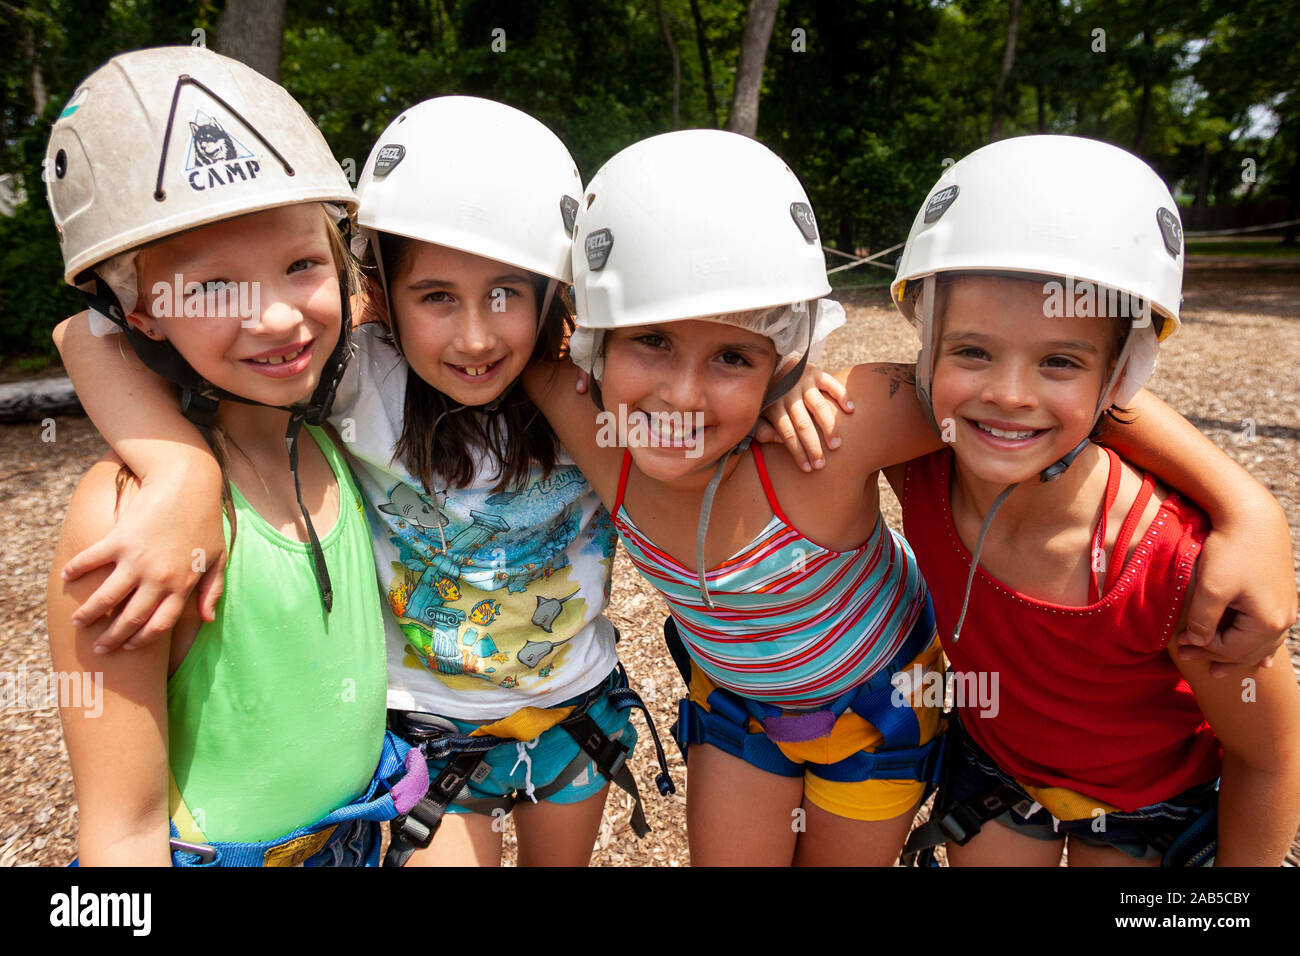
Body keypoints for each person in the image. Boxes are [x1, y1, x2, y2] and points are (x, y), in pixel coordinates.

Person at [527, 129, 1297, 866]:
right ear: (598, 345)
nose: (684, 394)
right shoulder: (587, 414)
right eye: (650, 340)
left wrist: (1247, 506)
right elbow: (490, 328)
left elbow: (1037, 400)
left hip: (883, 719)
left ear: (786, 358)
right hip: (742, 712)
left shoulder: (842, 432)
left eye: (733, 354)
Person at [53, 96, 671, 867]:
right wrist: (179, 466)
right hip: (429, 738)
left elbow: (677, 460)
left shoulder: (590, 384)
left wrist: (791, 385)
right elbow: (88, 329)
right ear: (381, 289)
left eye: (508, 293)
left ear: (553, 290)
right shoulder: (354, 372)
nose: (475, 336)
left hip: (574, 714)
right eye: (436, 295)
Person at [45, 46, 423, 867]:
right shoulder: (124, 515)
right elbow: (122, 831)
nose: (281, 320)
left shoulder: (330, 433)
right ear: (141, 313)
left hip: (356, 839)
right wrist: (183, 471)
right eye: (215, 289)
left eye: (300, 265)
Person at [888, 135, 1300, 865]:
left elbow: (1268, 756)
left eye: (1059, 361)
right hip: (998, 777)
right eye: (973, 351)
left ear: (1120, 379)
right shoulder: (919, 461)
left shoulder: (1180, 567)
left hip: (1150, 808)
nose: (1008, 395)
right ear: (924, 350)